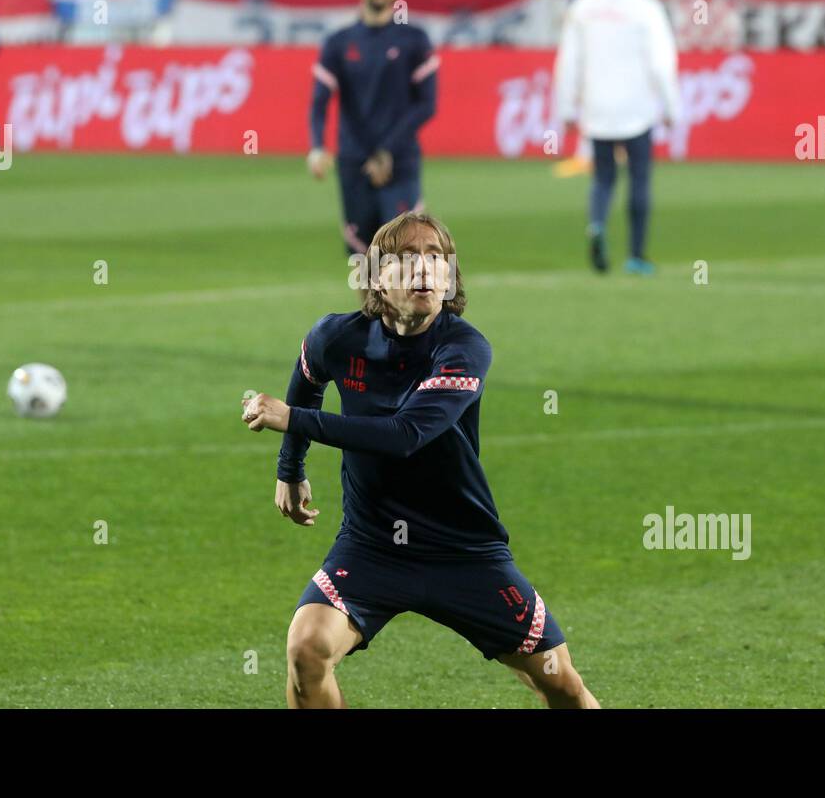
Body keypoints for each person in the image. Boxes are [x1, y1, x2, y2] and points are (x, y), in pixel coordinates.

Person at [242, 211, 599, 709]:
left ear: (450, 276)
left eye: (436, 258)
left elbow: (405, 434)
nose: (424, 269)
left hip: (464, 550)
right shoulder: (337, 338)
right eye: (407, 259)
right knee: (307, 648)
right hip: (372, 546)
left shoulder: (464, 348)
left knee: (561, 683)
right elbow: (307, 380)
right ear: (375, 278)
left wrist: (293, 423)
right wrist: (290, 467)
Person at [554, 0, 680, 275]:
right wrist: (671, 106)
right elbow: (662, 62)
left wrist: (566, 106)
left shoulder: (585, 3)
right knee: (639, 178)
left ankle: (596, 226)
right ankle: (636, 256)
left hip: (597, 107)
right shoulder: (647, 7)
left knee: (603, 177)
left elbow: (568, 59)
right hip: (636, 107)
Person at [307, 0, 438, 261]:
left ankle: (410, 311)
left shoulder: (413, 39)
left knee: (407, 254)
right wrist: (316, 146)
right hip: (354, 162)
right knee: (365, 260)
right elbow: (319, 102)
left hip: (400, 162)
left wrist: (387, 151)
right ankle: (372, 313)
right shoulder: (339, 42)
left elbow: (427, 104)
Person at [552, 0, 607, 179]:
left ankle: (590, 154)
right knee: (580, 90)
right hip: (577, 33)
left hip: (594, 35)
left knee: (591, 89)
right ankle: (587, 152)